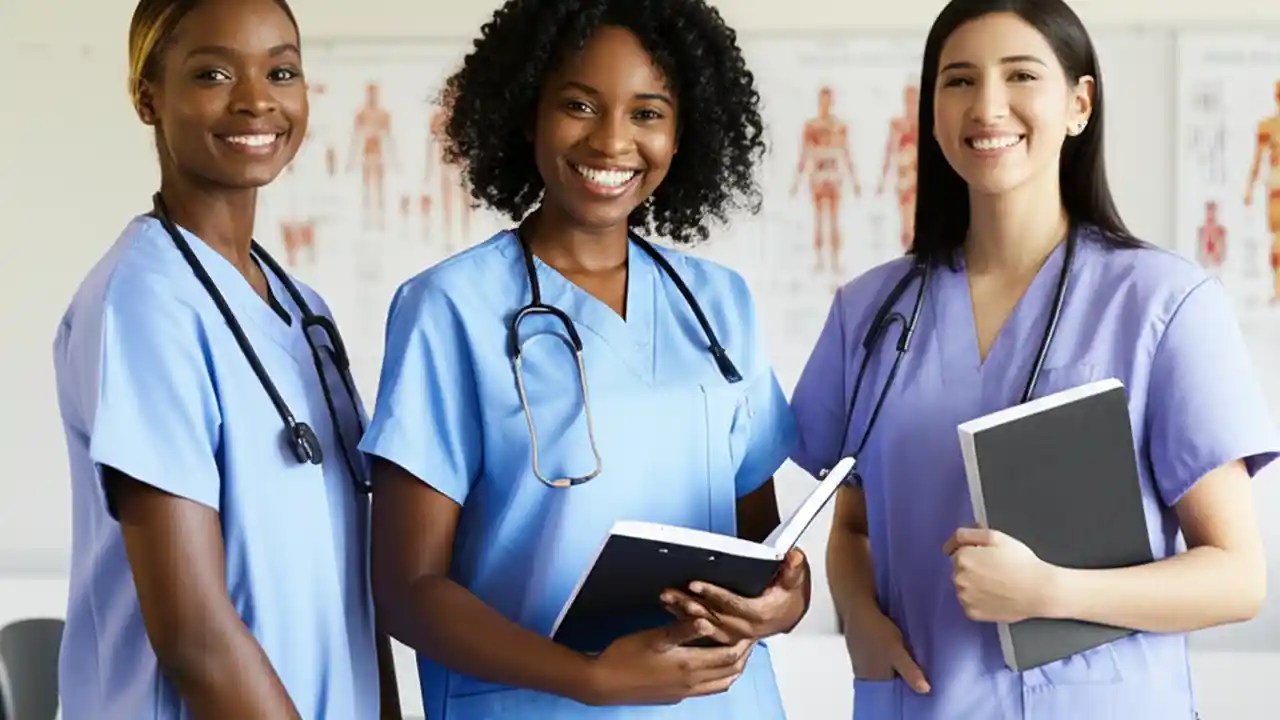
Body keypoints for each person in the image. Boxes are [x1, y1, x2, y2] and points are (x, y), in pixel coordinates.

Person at [789, 1, 1277, 718]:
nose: (987, 106)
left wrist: (1053, 594)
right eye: (958, 81)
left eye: (1020, 75)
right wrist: (858, 619)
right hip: (921, 701)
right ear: (931, 113)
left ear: (1079, 104)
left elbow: (1237, 578)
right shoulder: (868, 312)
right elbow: (853, 527)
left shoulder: (1163, 304)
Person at [357, 1, 806, 718]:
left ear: (683, 130)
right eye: (578, 105)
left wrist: (787, 598)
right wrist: (588, 678)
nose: (611, 141)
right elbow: (408, 590)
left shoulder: (719, 305)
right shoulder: (449, 309)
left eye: (647, 113)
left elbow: (759, 539)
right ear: (526, 111)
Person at [51, 1, 398, 717]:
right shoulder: (145, 304)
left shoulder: (306, 313)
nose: (256, 100)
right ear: (149, 97)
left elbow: (357, 585)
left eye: (281, 71)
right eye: (212, 73)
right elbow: (195, 638)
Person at [1243, 79, 1280, 302]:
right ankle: (1277, 287)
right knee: (1277, 238)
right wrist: (1249, 188)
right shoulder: (1267, 126)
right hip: (1276, 186)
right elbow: (1258, 160)